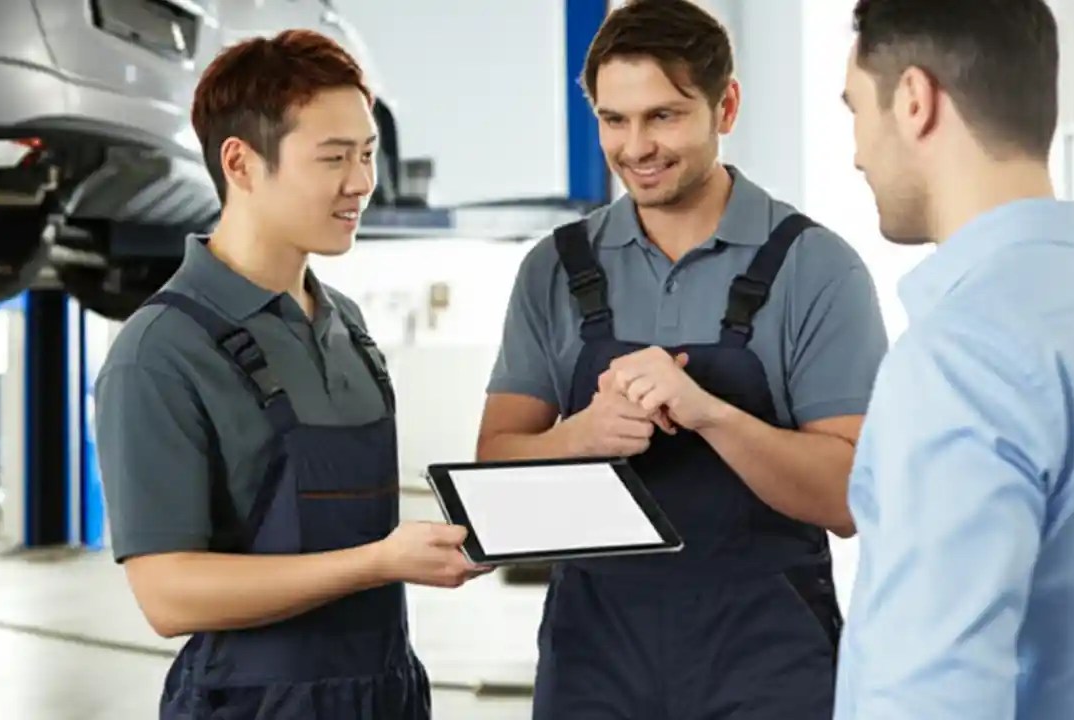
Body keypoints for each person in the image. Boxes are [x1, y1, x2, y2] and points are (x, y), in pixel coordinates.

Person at [476, 1, 889, 716]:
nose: (636, 147)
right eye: (614, 120)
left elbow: (852, 499)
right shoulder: (553, 270)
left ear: (726, 107)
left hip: (766, 671)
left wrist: (709, 415)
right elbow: (493, 480)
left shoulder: (817, 269)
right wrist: (580, 438)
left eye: (663, 116)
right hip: (593, 669)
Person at [94, 30, 485, 720]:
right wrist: (377, 563)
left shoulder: (348, 325)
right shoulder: (160, 351)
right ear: (240, 163)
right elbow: (168, 596)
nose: (361, 182)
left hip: (385, 693)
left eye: (367, 153)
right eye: (334, 157)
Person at [834, 1, 1074, 718]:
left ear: (914, 100)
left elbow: (931, 696)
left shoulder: (959, 358)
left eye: (856, 110)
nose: (857, 153)